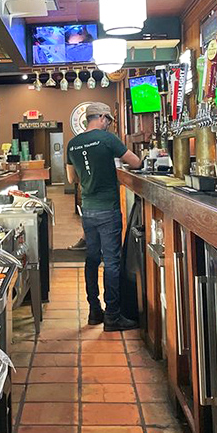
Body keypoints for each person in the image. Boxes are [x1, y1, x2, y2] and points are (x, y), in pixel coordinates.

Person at [66, 102, 142, 331]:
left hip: (88, 209)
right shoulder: (108, 139)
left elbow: (71, 179)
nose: (108, 123)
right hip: (108, 209)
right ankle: (112, 316)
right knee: (111, 262)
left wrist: (88, 175)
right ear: (100, 117)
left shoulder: (73, 143)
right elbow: (136, 162)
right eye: (107, 119)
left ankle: (94, 311)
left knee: (92, 259)